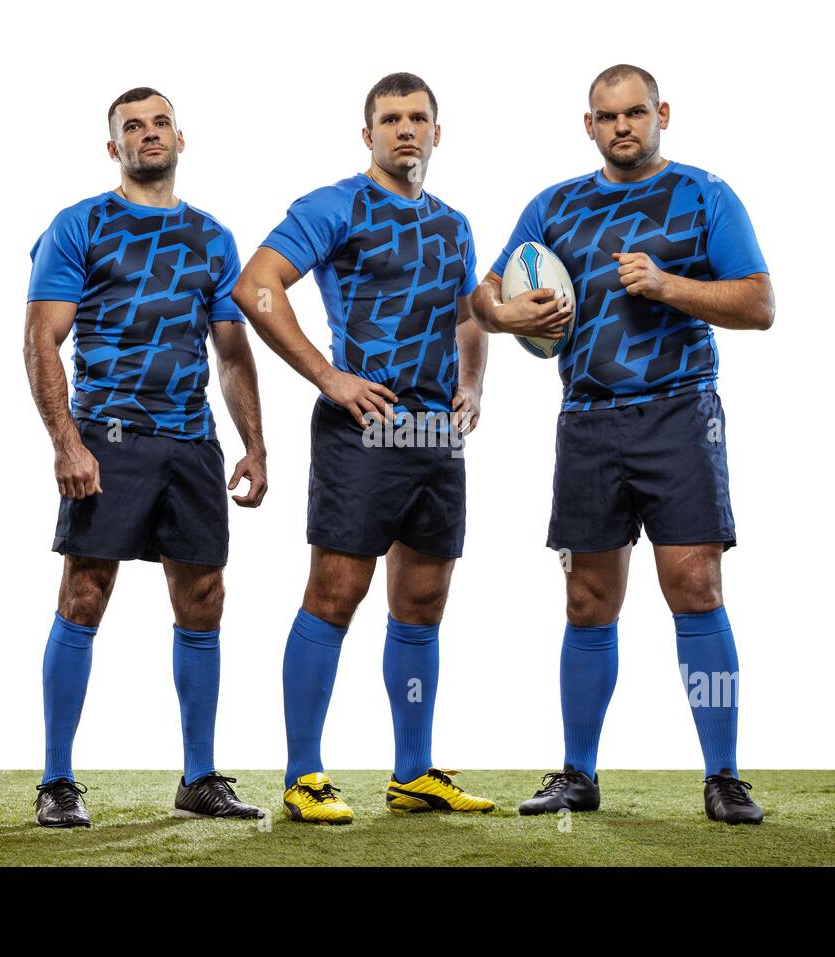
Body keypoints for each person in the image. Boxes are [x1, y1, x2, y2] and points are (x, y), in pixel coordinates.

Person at [472, 64, 775, 824]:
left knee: (695, 587)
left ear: (661, 113)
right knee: (586, 597)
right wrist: (512, 319)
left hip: (680, 414)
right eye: (606, 117)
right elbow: (483, 293)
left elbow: (760, 302)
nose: (622, 127)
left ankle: (724, 775)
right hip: (589, 420)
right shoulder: (554, 205)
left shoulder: (706, 194)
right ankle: (577, 772)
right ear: (589, 126)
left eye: (635, 113)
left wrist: (671, 285)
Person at [233, 72, 495, 824]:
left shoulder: (453, 223)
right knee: (335, 592)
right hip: (363, 431)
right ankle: (303, 772)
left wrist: (472, 385)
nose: (405, 129)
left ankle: (413, 771)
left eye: (418, 117)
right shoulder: (336, 205)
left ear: (437, 133)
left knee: (421, 601)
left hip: (434, 437)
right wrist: (329, 376)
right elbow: (257, 286)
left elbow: (467, 311)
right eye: (390, 118)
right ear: (368, 133)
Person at [23, 87, 267, 827]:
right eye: (132, 126)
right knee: (85, 594)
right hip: (110, 437)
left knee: (203, 600)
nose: (148, 133)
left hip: (191, 444)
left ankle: (198, 777)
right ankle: (56, 781)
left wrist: (255, 442)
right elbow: (41, 339)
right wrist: (67, 441)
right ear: (114, 149)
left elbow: (230, 352)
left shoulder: (213, 237)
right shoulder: (81, 225)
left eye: (160, 122)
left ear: (181, 138)